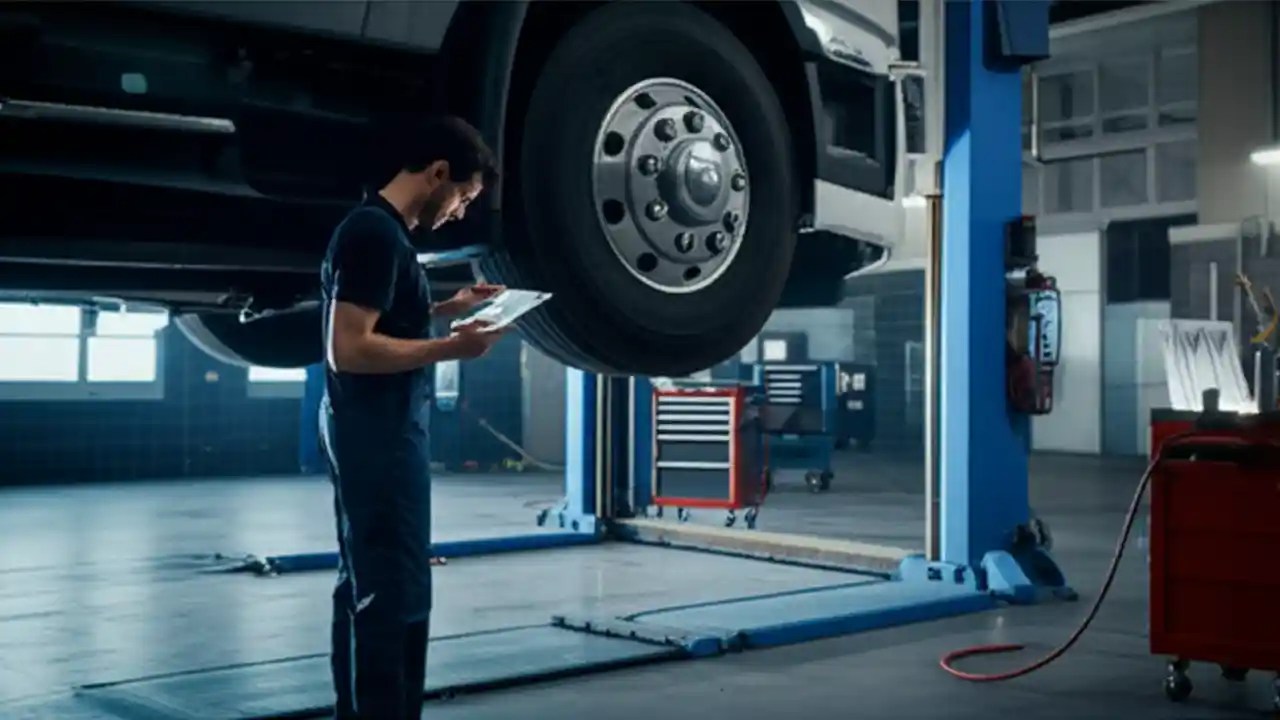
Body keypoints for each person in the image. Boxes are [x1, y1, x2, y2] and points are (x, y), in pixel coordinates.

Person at [319, 114, 504, 719]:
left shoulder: (386, 233)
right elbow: (348, 348)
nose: (459, 213)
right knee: (386, 594)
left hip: (384, 433)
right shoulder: (373, 232)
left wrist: (451, 307)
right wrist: (454, 346)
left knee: (381, 584)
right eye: (463, 197)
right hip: (375, 438)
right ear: (439, 173)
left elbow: (386, 321)